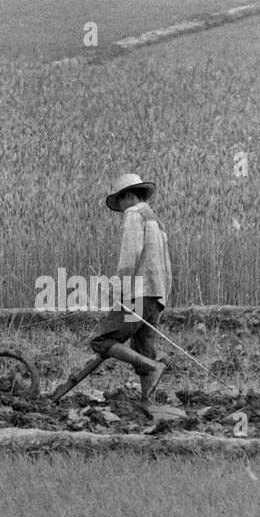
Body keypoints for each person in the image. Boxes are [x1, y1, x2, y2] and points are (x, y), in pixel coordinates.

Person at [89, 172, 172, 403]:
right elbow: (167, 266)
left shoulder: (133, 215)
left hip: (137, 295)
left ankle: (153, 367)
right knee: (145, 348)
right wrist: (161, 299)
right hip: (156, 296)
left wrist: (119, 291)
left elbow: (128, 258)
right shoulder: (156, 220)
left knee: (102, 341)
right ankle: (149, 404)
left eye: (120, 201)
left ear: (126, 196)